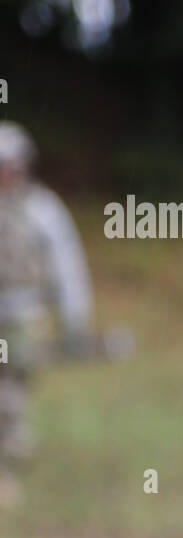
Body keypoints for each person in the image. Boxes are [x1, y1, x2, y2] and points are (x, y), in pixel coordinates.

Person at [0, 122, 93, 507]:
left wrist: (74, 321)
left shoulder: (43, 211)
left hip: (23, 318)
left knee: (9, 396)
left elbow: (66, 268)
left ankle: (6, 468)